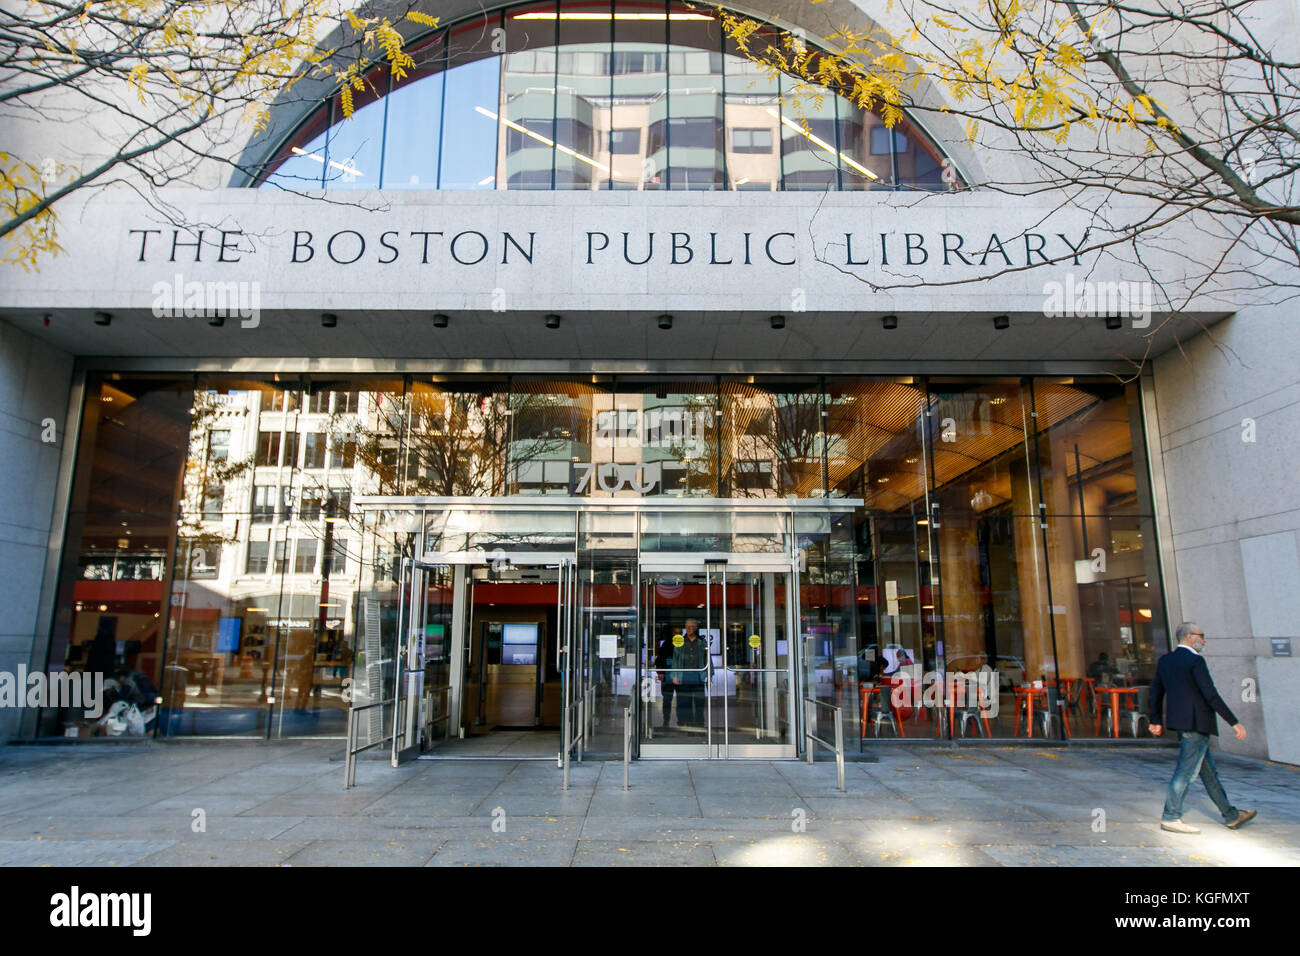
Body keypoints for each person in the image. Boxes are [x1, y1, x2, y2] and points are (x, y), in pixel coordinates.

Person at [1148, 622, 1256, 833]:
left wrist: (1155, 720)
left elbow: (1156, 692)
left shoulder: (1166, 661)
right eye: (1201, 636)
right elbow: (1210, 694)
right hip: (1197, 724)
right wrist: (1234, 722)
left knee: (1209, 774)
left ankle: (1231, 815)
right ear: (1190, 637)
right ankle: (1171, 816)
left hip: (1182, 724)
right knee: (1185, 773)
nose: (1204, 640)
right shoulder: (1195, 661)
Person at [669, 619, 709, 732]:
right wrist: (674, 675)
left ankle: (699, 726)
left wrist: (709, 674)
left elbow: (707, 659)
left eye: (692, 626)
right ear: (685, 628)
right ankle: (685, 725)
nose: (690, 628)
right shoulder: (680, 642)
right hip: (683, 678)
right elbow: (675, 660)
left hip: (698, 678)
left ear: (696, 628)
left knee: (699, 704)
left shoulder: (702, 643)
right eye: (687, 626)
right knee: (684, 703)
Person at [655, 631, 678, 728]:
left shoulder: (664, 645)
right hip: (677, 676)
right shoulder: (676, 645)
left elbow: (658, 661)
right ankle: (681, 721)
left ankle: (666, 721)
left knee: (667, 700)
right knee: (681, 700)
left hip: (667, 677)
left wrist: (661, 674)